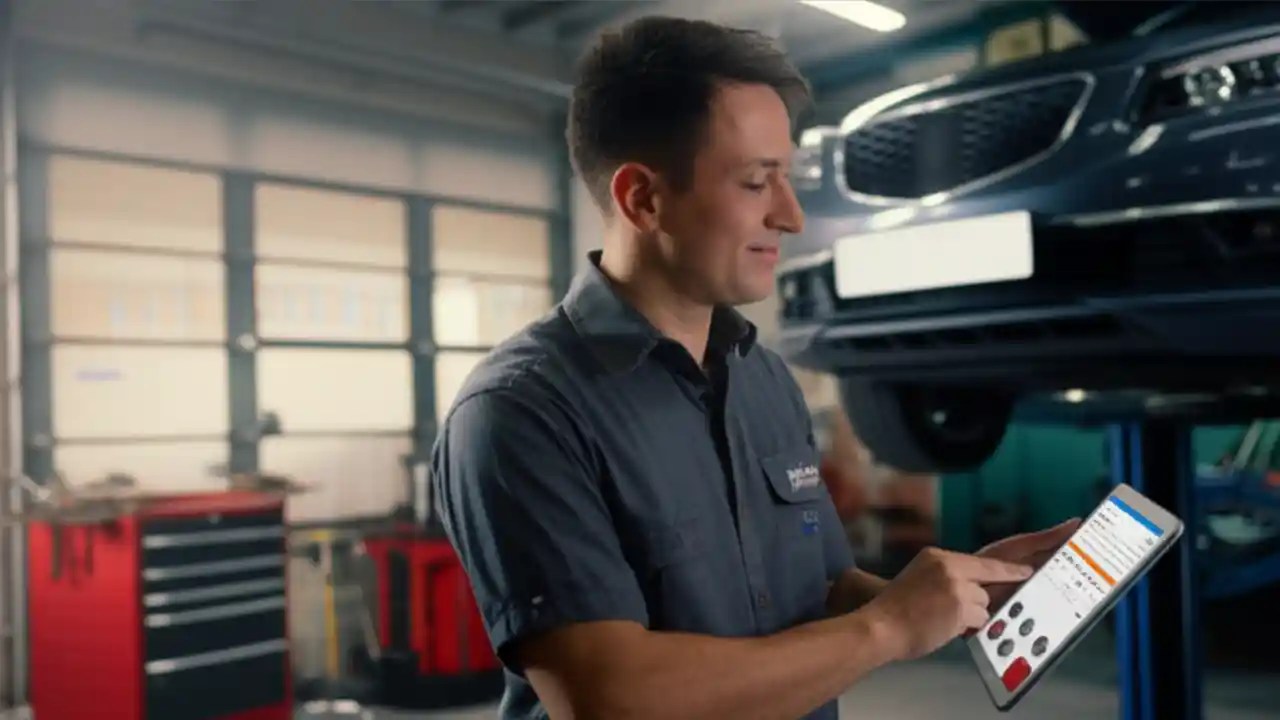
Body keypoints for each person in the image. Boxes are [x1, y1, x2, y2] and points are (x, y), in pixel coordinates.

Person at [432, 16, 1079, 720]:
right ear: (642, 198)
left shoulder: (762, 379)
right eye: (754, 183)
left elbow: (823, 589)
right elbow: (608, 696)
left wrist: (962, 591)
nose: (792, 216)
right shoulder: (521, 412)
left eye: (789, 180)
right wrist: (889, 628)